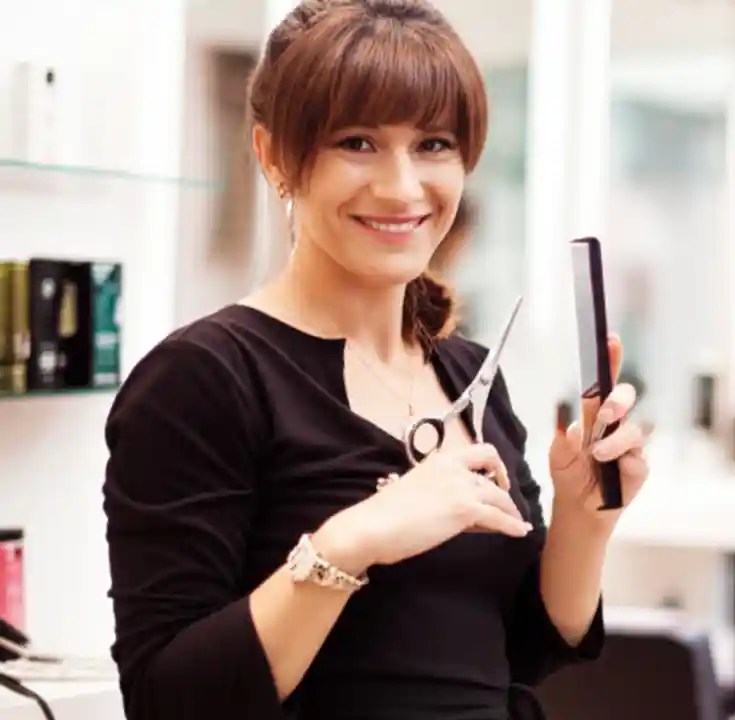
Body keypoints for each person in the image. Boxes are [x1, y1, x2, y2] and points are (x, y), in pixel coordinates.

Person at [101, 1, 652, 718]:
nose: (401, 187)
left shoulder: (468, 375)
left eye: (433, 145)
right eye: (357, 142)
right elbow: (168, 700)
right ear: (273, 155)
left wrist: (586, 520)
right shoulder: (201, 380)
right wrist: (353, 541)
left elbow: (518, 652)